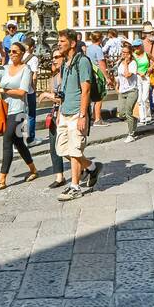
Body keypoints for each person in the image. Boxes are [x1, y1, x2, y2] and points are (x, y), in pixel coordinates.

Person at [55, 30, 103, 201]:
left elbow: (86, 90)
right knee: (62, 149)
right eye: (58, 41)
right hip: (65, 112)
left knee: (75, 150)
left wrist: (83, 115)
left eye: (62, 41)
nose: (58, 44)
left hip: (77, 113)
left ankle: (75, 186)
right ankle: (91, 167)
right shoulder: (66, 63)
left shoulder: (82, 62)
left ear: (72, 43)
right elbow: (64, 90)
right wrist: (60, 111)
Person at [0, 42, 39, 189]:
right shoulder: (5, 69)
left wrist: (3, 90)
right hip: (4, 110)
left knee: (7, 140)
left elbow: (22, 92)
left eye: (15, 52)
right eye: (10, 51)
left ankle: (2, 179)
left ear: (22, 53)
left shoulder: (26, 70)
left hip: (19, 111)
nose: (11, 54)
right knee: (18, 142)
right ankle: (33, 169)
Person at [40, 49, 69, 188]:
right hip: (55, 114)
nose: (54, 59)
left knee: (65, 147)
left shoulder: (67, 76)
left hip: (67, 114)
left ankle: (85, 166)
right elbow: (55, 99)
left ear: (64, 58)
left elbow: (64, 99)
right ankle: (59, 176)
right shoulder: (54, 77)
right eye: (53, 57)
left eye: (57, 57)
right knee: (53, 146)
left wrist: (47, 95)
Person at [134, 40, 153, 125]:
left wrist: (150, 68)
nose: (136, 48)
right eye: (134, 46)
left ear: (141, 46)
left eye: (137, 46)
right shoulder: (133, 55)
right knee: (139, 98)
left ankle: (148, 116)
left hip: (146, 77)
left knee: (145, 98)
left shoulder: (146, 54)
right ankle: (142, 118)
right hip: (137, 77)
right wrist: (138, 72)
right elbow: (132, 66)